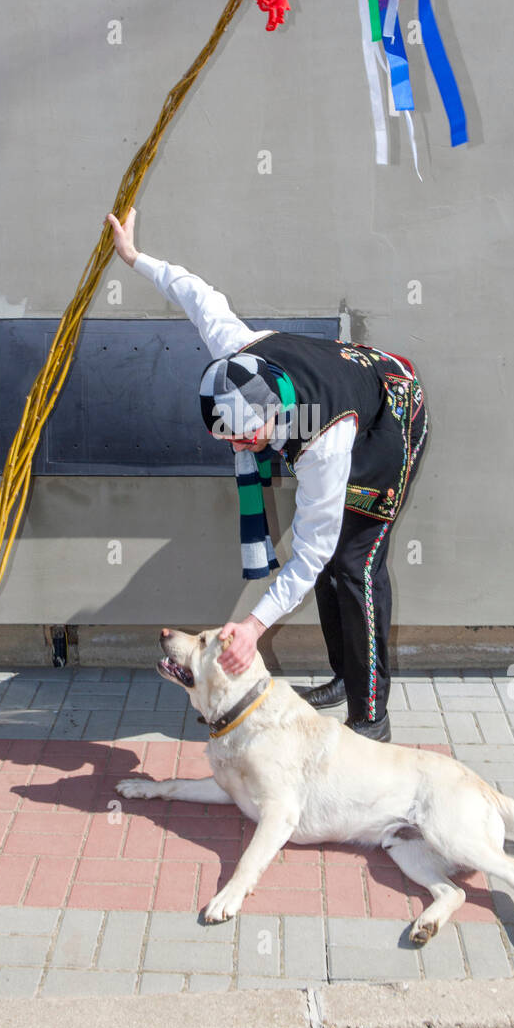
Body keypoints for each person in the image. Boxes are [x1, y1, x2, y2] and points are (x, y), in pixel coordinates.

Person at [107, 207, 428, 743]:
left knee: (352, 561)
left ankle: (371, 714)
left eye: (245, 437)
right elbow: (197, 295)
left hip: (390, 414)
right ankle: (346, 676)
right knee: (331, 564)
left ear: (272, 414)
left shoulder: (320, 440)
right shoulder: (237, 357)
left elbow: (311, 549)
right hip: (353, 386)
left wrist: (253, 628)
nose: (240, 449)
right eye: (227, 440)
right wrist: (135, 258)